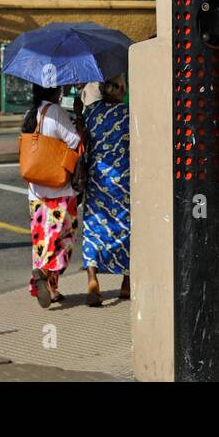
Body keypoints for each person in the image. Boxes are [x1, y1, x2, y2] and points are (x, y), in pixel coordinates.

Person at [23, 84, 82, 308]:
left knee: (42, 243)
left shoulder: (30, 113)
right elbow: (74, 140)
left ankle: (50, 288)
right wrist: (78, 117)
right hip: (59, 190)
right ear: (54, 91)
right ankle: (46, 272)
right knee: (64, 239)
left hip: (36, 191)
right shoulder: (55, 111)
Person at [81, 75, 131, 306]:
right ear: (119, 89)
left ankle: (92, 278)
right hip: (122, 181)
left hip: (97, 178)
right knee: (125, 228)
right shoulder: (127, 114)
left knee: (94, 227)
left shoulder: (91, 113)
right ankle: (126, 282)